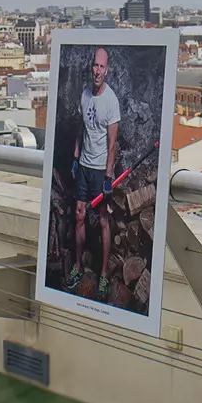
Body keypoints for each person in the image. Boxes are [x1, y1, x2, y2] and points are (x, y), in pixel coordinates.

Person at [69, 48, 120, 298]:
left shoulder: (111, 101)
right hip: (85, 167)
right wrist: (76, 156)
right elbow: (82, 128)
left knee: (102, 220)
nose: (97, 70)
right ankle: (78, 266)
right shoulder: (85, 95)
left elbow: (112, 143)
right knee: (78, 215)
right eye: (94, 66)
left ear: (106, 70)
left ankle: (103, 274)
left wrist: (109, 177)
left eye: (101, 66)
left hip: (101, 169)